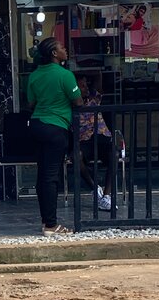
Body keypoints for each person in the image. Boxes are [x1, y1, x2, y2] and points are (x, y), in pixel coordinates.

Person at [26, 37, 82, 235]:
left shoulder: (34, 76)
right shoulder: (64, 75)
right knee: (51, 177)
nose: (65, 49)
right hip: (56, 126)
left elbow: (31, 104)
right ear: (54, 54)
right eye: (61, 47)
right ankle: (51, 225)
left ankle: (46, 220)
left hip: (37, 125)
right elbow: (78, 101)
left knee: (42, 176)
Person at [76, 74, 113, 212]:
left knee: (113, 152)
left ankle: (107, 195)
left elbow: (98, 76)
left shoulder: (94, 99)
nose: (86, 88)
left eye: (86, 85)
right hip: (84, 140)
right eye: (82, 86)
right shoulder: (69, 105)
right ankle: (95, 187)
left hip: (101, 137)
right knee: (75, 156)